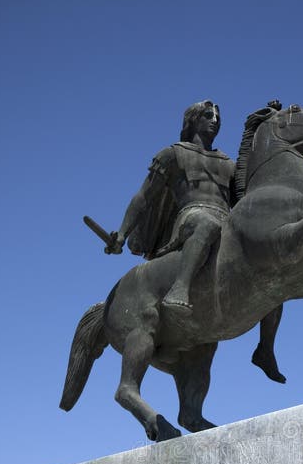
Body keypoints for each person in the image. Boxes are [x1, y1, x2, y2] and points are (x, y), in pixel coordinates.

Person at [107, 100, 286, 381]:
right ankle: (179, 289)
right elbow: (143, 197)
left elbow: (247, 188)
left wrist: (266, 125)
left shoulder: (228, 164)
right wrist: (121, 233)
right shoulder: (172, 154)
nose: (214, 120)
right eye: (207, 115)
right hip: (191, 217)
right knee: (207, 223)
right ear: (193, 120)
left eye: (217, 116)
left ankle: (265, 348)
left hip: (226, 222)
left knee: (271, 263)